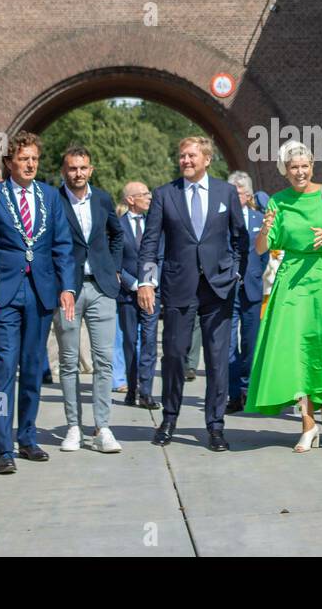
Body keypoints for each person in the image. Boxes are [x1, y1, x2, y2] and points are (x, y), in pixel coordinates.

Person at [138, 136, 248, 452]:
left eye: (191, 155)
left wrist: (236, 272)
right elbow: (149, 242)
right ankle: (169, 418)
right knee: (173, 355)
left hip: (219, 288)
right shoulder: (164, 195)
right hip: (178, 286)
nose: (185, 160)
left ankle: (215, 426)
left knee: (217, 359)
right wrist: (147, 281)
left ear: (207, 159)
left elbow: (240, 237)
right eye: (182, 155)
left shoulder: (226, 192)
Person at [245, 142, 322, 452]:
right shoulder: (278, 202)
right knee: (296, 352)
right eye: (293, 167)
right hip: (291, 280)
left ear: (312, 166)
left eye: (304, 165)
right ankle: (308, 424)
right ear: (285, 170)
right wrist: (265, 230)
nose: (300, 171)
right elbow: (261, 249)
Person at [0, 131, 75, 472]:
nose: (30, 164)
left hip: (40, 291)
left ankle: (27, 437)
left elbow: (62, 245)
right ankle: (3, 446)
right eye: (24, 159)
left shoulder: (50, 196)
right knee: (6, 368)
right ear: (9, 162)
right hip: (6, 292)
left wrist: (67, 286)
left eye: (35, 159)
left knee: (33, 368)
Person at [52, 146, 124, 454]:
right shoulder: (54, 200)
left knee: (103, 361)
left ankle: (102, 427)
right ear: (64, 171)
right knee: (68, 362)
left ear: (90, 170)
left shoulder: (103, 198)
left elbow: (116, 234)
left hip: (102, 287)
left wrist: (115, 268)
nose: (77, 173)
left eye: (82, 168)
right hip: (68, 289)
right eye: (72, 168)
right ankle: (73, 427)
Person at [226, 171, 268, 415]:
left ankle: (247, 388)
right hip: (228, 289)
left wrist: (256, 275)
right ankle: (233, 394)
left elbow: (263, 255)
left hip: (251, 288)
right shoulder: (221, 218)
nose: (234, 196)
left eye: (239, 192)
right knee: (229, 345)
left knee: (251, 343)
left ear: (248, 195)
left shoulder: (258, 219)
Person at [117, 181, 160, 410]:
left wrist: (149, 284)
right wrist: (134, 284)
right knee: (130, 342)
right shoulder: (117, 225)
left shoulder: (154, 225)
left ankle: (146, 392)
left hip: (152, 292)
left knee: (150, 342)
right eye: (144, 194)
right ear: (131, 199)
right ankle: (131, 389)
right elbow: (114, 261)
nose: (149, 198)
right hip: (127, 293)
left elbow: (156, 255)